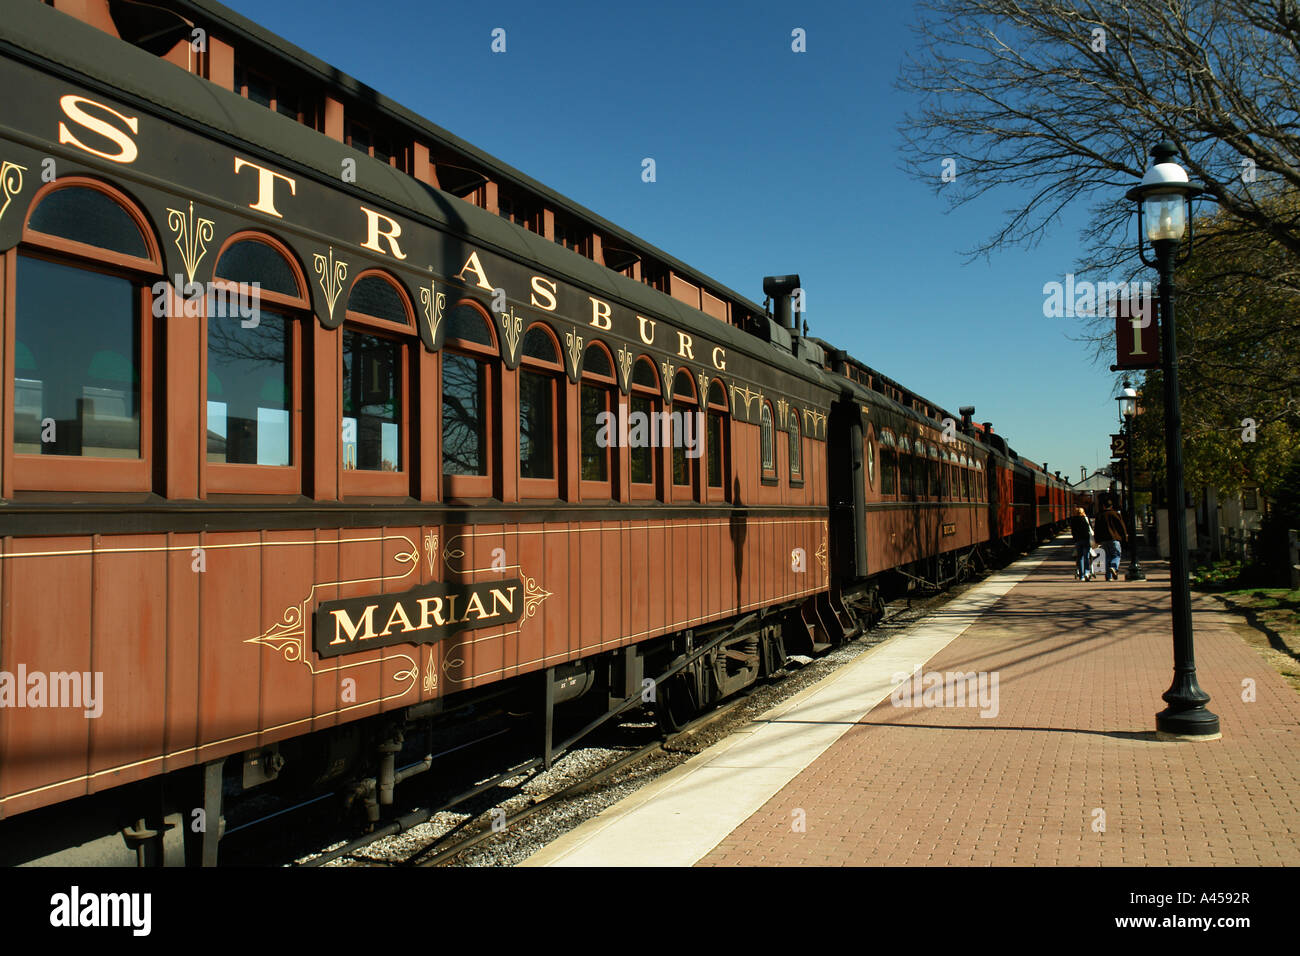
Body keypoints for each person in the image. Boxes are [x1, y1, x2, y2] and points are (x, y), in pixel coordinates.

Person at [1093, 495, 1128, 581]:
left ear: (1104, 506)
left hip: (1104, 540)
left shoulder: (1099, 515)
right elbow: (1121, 527)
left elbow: (1096, 529)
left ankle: (1108, 577)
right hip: (1114, 538)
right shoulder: (1115, 514)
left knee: (1107, 557)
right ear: (1111, 506)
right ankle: (1114, 567)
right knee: (1116, 555)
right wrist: (1125, 537)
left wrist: (1097, 540)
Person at [1069, 507, 1093, 581]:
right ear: (1083, 512)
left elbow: (1073, 531)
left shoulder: (1073, 520)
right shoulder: (1086, 518)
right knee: (1086, 557)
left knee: (1080, 558)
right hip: (1086, 539)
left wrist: (1075, 539)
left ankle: (1081, 576)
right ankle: (1087, 573)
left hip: (1078, 540)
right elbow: (1089, 528)